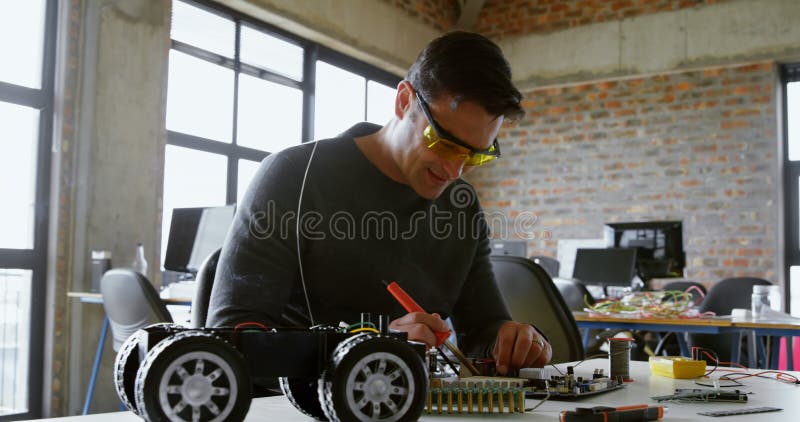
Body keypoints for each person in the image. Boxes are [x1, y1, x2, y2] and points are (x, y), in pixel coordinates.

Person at [207, 31, 552, 374]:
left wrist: (512, 342)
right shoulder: (295, 176)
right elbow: (232, 335)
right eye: (444, 143)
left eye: (474, 156)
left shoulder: (460, 207)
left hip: (405, 404)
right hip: (293, 404)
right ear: (404, 102)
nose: (454, 170)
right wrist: (371, 347)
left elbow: (482, 331)